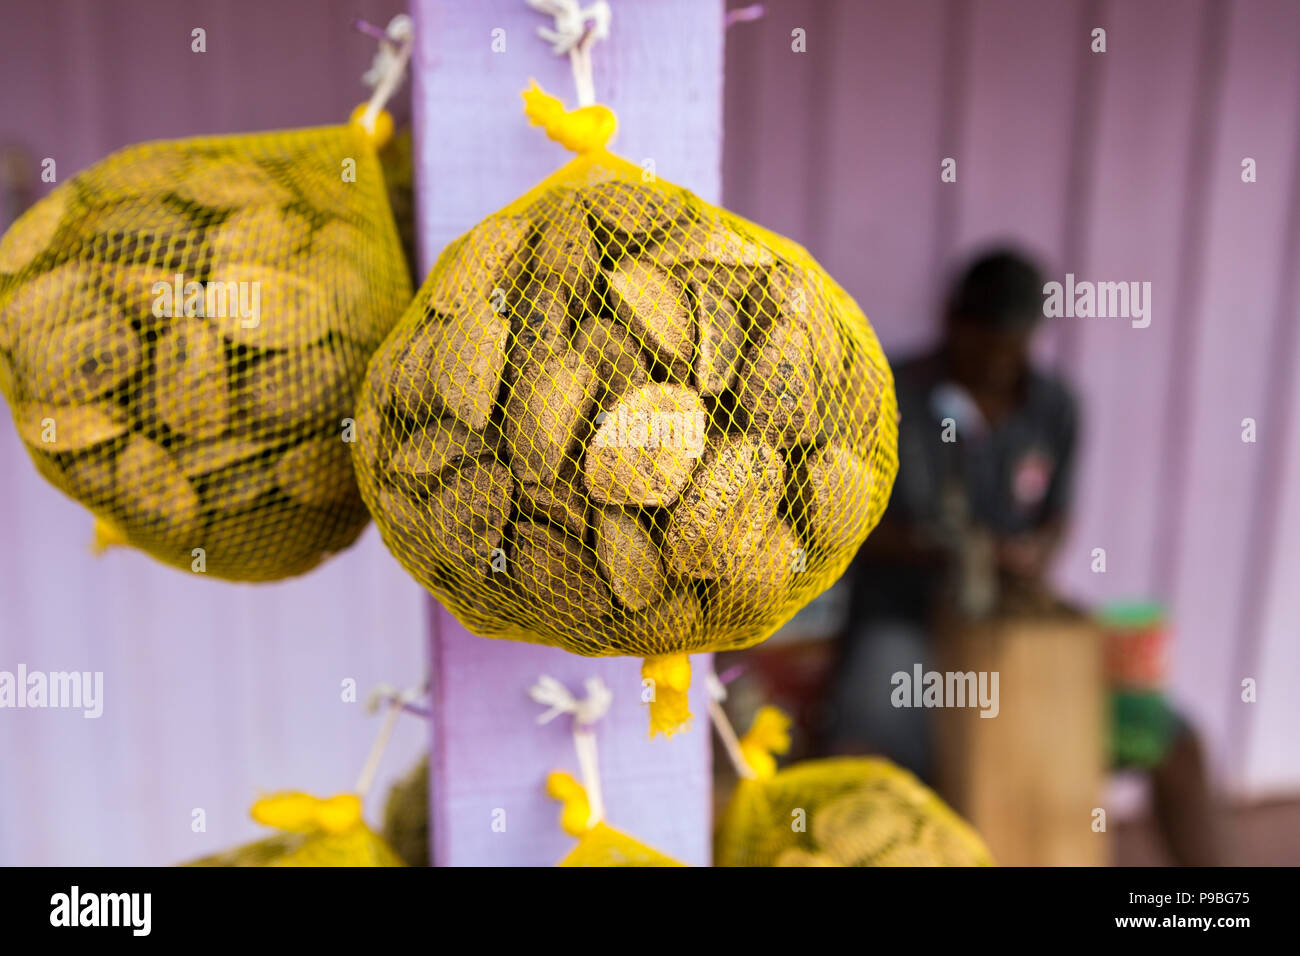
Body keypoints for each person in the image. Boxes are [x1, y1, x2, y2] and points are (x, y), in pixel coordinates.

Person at [825, 247, 1222, 865]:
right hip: (903, 615)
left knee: (1170, 740)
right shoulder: (888, 393)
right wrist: (946, 549)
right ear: (953, 323)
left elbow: (1056, 516)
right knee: (880, 749)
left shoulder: (1053, 406)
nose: (997, 361)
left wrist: (1033, 553)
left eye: (1013, 345)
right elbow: (850, 521)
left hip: (1013, 622)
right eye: (984, 342)